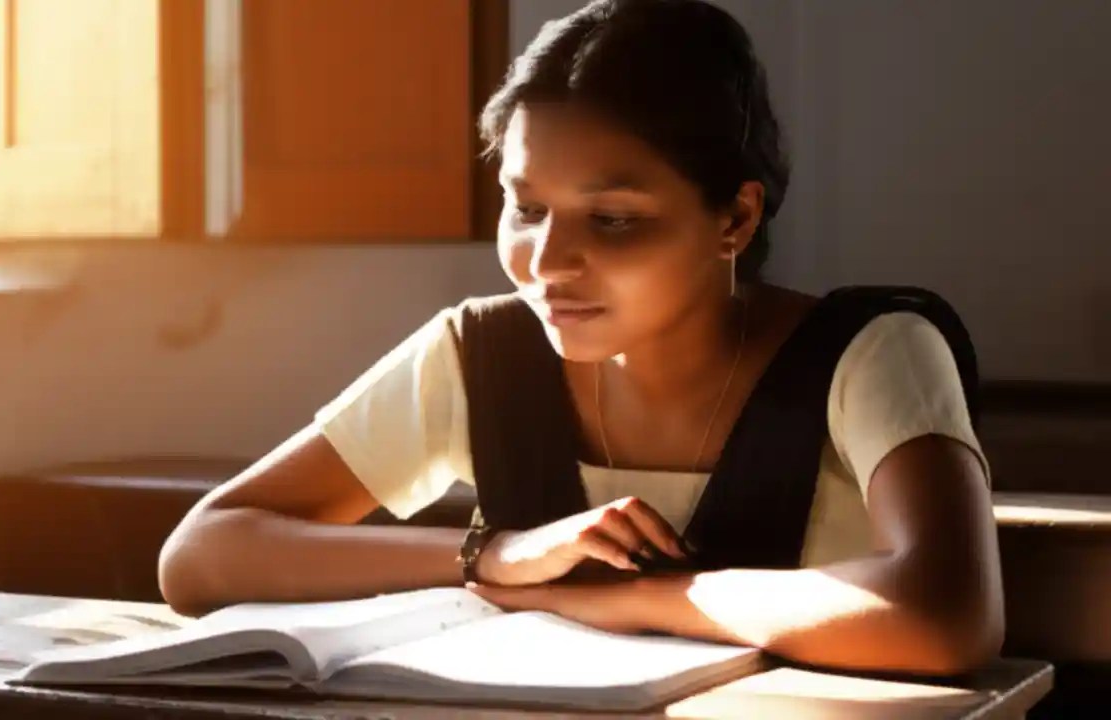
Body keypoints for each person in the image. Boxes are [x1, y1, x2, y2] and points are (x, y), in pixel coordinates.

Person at [159, 0, 1003, 676]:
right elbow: (201, 555)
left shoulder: (869, 352)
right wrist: (495, 556)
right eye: (525, 208)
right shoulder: (479, 353)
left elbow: (945, 617)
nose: (548, 262)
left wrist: (622, 599)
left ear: (735, 218)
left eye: (613, 219)